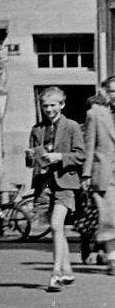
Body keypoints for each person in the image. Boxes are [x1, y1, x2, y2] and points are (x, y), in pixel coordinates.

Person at [28, 85, 86, 292]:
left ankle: (55, 274)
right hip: (45, 185)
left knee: (55, 226)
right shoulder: (37, 129)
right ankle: (67, 270)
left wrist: (59, 157)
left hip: (65, 184)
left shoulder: (72, 127)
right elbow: (30, 162)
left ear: (62, 104)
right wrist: (30, 156)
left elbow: (81, 156)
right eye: (45, 106)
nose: (49, 110)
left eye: (53, 105)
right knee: (57, 229)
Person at [83, 76, 115, 274]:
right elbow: (89, 147)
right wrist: (86, 175)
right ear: (106, 93)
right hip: (105, 174)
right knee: (109, 217)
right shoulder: (95, 114)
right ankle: (113, 258)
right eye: (112, 90)